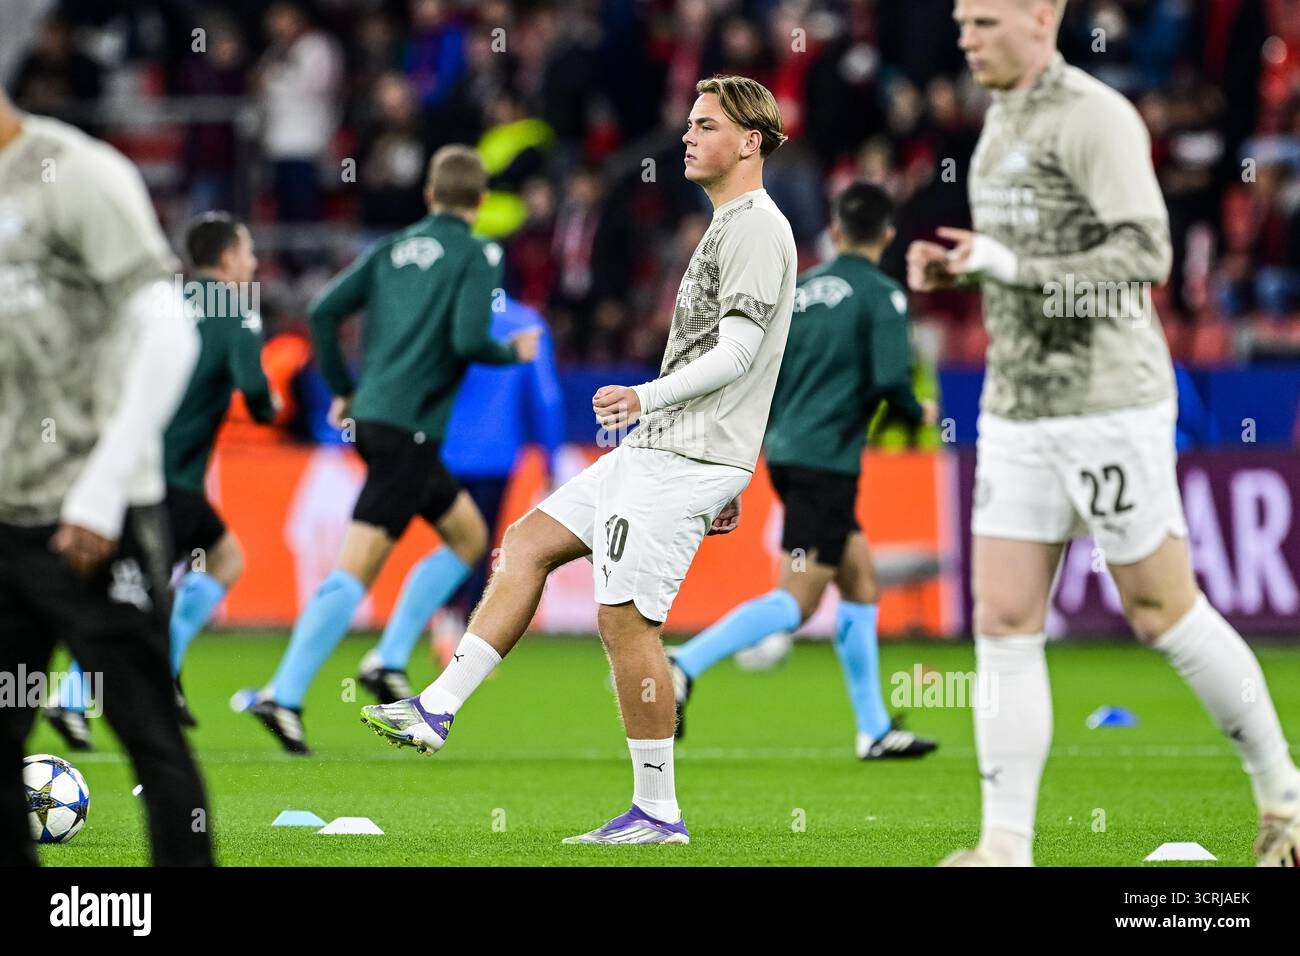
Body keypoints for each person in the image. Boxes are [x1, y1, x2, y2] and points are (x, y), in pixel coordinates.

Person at [907, 0, 1299, 867]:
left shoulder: (1096, 117)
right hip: (1019, 403)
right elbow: (1025, 255)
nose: (965, 37)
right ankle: (1004, 847)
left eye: (984, 22)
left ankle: (1285, 796)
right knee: (1002, 616)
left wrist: (1007, 265)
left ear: (1043, 17)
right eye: (963, 23)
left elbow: (1144, 256)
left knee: (1161, 608)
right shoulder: (1002, 120)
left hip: (1107, 400)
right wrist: (962, 268)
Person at [360, 75, 798, 846]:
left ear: (750, 142)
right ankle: (436, 708)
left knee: (623, 618)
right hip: (670, 450)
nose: (687, 138)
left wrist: (656, 404)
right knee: (527, 541)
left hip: (682, 450)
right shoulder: (729, 223)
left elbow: (737, 351)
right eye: (689, 124)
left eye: (704, 126)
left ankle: (658, 811)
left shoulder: (757, 227)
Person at [245, 145, 540, 754]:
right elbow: (467, 337)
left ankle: (385, 658)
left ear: (429, 194)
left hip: (386, 424)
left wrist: (346, 389)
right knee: (360, 565)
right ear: (480, 203)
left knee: (468, 536)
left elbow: (323, 311)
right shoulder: (480, 252)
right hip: (406, 432)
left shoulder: (387, 250)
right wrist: (514, 352)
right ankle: (285, 691)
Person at [0, 87, 212, 866]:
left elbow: (169, 329)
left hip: (96, 516)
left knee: (147, 730)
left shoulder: (76, 173)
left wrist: (101, 485)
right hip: (5, 515)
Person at [669, 182, 940, 760]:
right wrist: (922, 414)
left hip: (787, 452)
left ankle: (874, 729)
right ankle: (682, 664)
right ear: (888, 236)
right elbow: (894, 379)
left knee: (860, 580)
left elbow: (756, 371)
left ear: (836, 231)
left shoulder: (801, 292)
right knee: (797, 601)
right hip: (826, 462)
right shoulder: (883, 294)